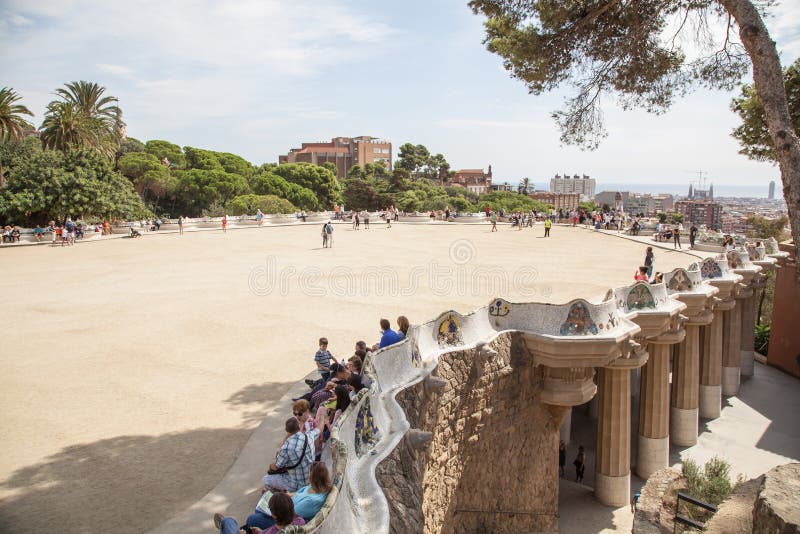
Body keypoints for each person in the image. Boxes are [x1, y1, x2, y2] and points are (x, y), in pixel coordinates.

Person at [262, 418, 319, 492]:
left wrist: (270, 466)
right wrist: (322, 418)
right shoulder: (309, 436)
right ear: (299, 426)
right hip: (310, 479)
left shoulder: (286, 448)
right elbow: (319, 429)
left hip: (297, 484)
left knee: (266, 479)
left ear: (287, 431)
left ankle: (278, 494)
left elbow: (276, 467)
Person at [214, 491, 306, 534]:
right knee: (230, 523)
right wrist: (261, 531)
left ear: (274, 515)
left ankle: (224, 524)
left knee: (228, 522)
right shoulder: (300, 522)